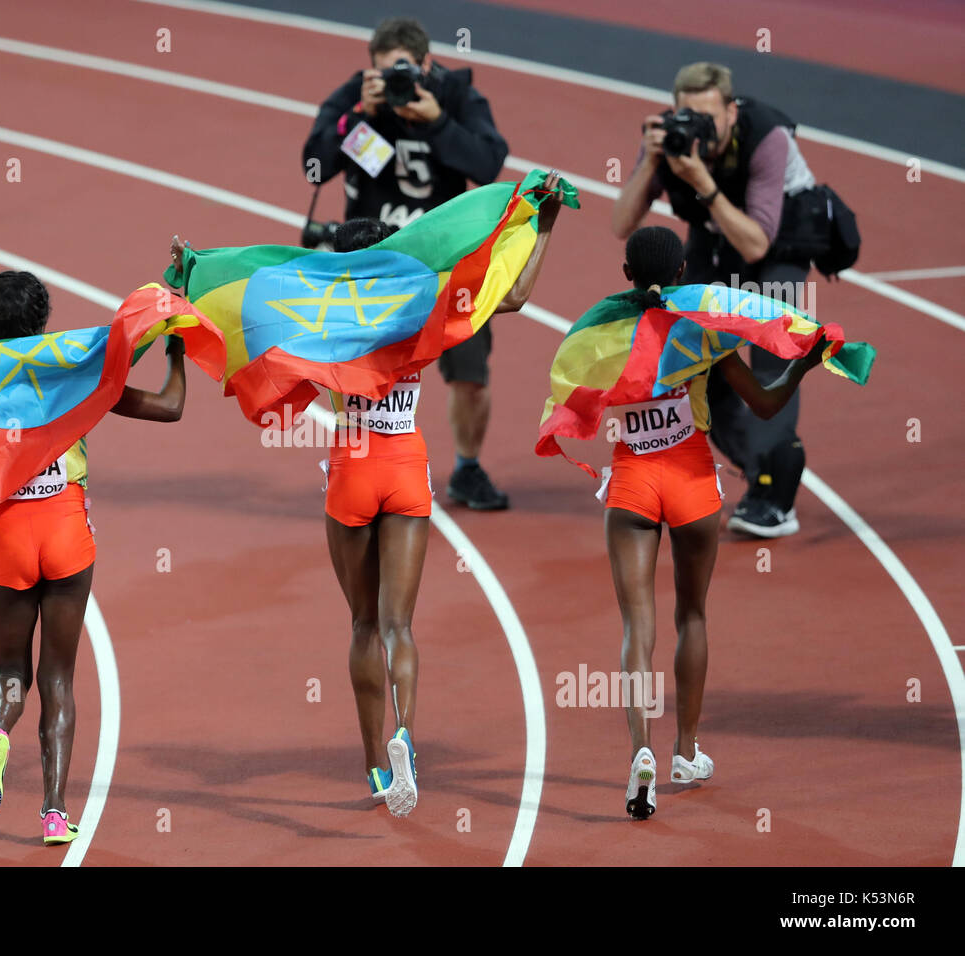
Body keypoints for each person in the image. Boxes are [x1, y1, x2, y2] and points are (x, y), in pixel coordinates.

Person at [317, 176, 562, 816]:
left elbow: (239, 321)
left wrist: (188, 282)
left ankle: (376, 765)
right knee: (400, 623)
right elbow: (512, 296)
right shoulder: (424, 308)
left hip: (351, 465)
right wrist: (543, 224)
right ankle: (406, 740)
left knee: (363, 623)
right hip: (405, 464)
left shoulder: (321, 315)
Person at [599, 228, 826, 820]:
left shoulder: (602, 335)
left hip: (631, 484)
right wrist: (804, 364)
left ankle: (639, 751)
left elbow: (574, 394)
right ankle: (686, 750)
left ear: (626, 273)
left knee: (636, 628)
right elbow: (765, 405)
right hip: (692, 483)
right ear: (682, 273)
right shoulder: (705, 330)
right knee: (691, 615)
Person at [0, 270, 188, 846]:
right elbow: (170, 408)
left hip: (6, 534)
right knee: (58, 678)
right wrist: (177, 344)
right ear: (42, 322)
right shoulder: (74, 373)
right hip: (65, 530)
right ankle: (54, 812)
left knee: (10, 672)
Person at [302, 16, 514, 511]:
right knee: (360, 372)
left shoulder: (457, 96)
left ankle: (467, 467)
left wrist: (438, 121)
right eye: (381, 72)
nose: (394, 82)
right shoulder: (357, 96)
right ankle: (359, 466)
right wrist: (359, 114)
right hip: (371, 264)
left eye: (403, 71)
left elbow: (488, 164)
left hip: (443, 264)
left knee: (470, 372)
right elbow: (314, 164)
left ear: (425, 64)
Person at [611, 62, 820, 538]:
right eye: (689, 116)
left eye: (708, 117)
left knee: (772, 358)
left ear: (731, 110)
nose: (698, 127)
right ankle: (763, 469)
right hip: (714, 237)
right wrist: (650, 161)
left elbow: (755, 245)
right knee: (693, 354)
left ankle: (775, 500)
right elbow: (622, 224)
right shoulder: (673, 140)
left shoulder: (767, 139)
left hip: (780, 244)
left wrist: (702, 182)